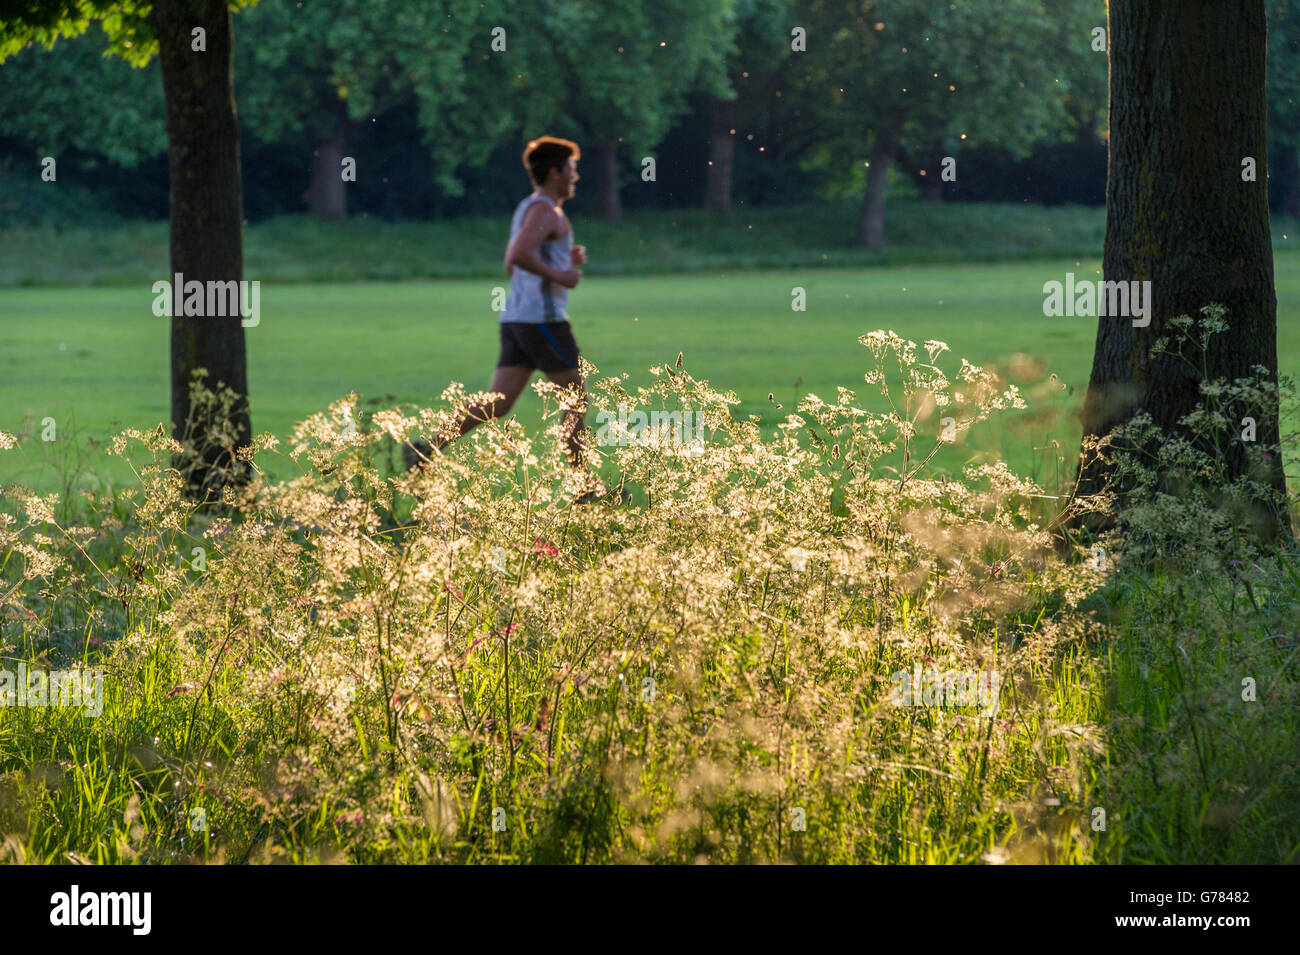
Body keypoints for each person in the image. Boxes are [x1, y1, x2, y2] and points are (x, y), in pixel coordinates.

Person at [404, 136, 603, 501]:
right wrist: (562, 275)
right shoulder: (545, 211)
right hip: (542, 321)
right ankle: (582, 489)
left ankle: (424, 450)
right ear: (555, 171)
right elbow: (516, 256)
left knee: (498, 403)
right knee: (575, 399)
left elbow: (523, 259)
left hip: (518, 319)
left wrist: (562, 260)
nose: (575, 176)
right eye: (571, 168)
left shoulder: (532, 208)